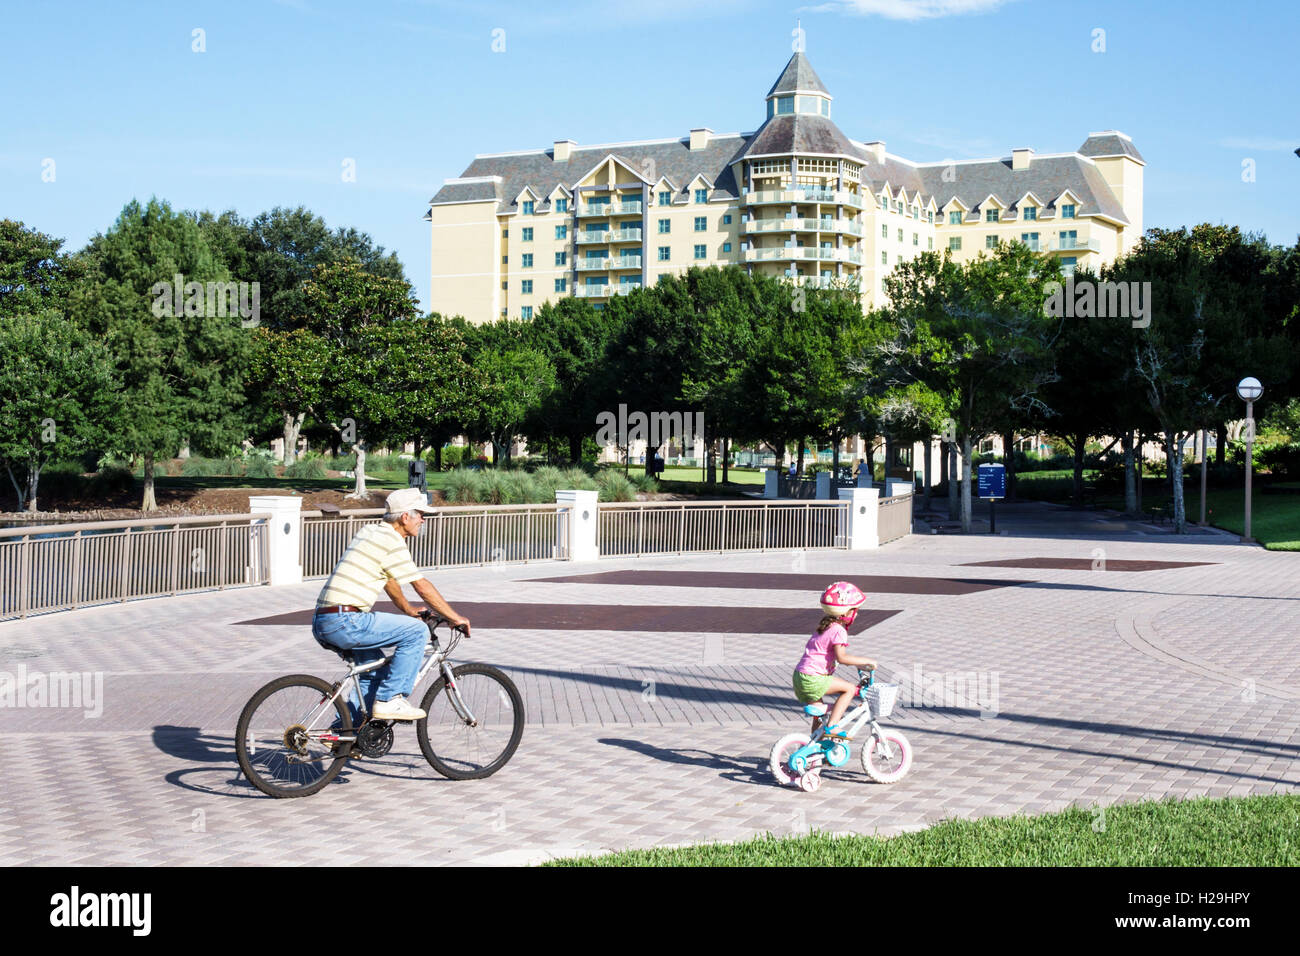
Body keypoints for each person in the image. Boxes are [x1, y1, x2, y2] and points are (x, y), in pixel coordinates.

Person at [312, 487, 471, 720]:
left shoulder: (370, 532)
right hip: (346, 621)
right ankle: (391, 699)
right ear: (405, 517)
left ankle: (343, 734)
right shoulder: (391, 541)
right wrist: (455, 617)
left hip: (325, 620)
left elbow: (389, 579)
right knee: (416, 632)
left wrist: (408, 609)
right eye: (420, 514)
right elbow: (421, 585)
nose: (423, 519)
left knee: (374, 671)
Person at [791, 581, 877, 739]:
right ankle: (832, 727)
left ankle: (815, 745)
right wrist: (867, 661)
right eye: (855, 610)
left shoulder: (826, 625)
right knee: (849, 689)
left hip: (800, 677)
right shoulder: (839, 630)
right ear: (845, 612)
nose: (856, 614)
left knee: (819, 716)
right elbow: (842, 657)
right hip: (813, 679)